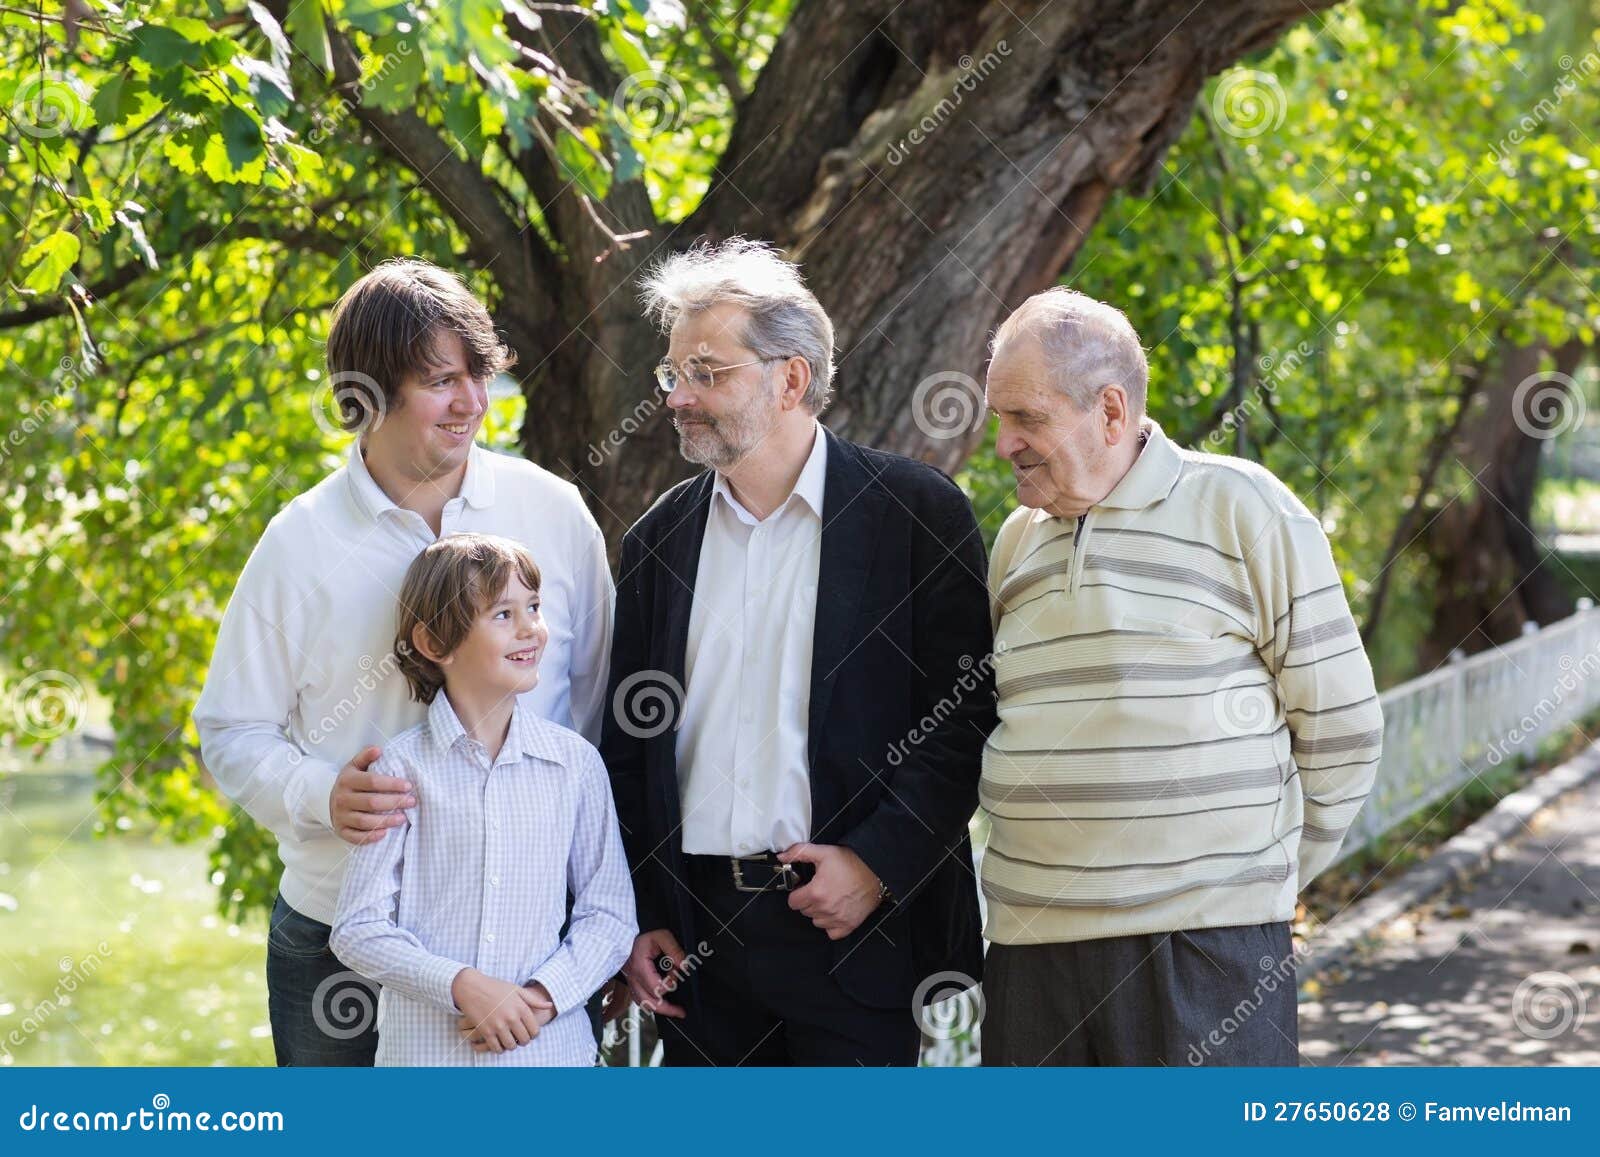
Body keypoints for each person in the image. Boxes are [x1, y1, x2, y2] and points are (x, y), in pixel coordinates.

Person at [192, 260, 613, 1065]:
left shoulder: (554, 514)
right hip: (336, 940)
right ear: (367, 397)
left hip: (525, 946)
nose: (472, 403)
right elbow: (230, 729)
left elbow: (594, 710)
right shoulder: (299, 541)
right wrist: (322, 793)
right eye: (440, 382)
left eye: (477, 377)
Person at [603, 238, 995, 1066]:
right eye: (673, 374)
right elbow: (627, 751)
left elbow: (964, 721)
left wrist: (878, 864)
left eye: (708, 372)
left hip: (855, 937)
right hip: (696, 951)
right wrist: (640, 913)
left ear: (790, 378)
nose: (679, 397)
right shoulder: (657, 541)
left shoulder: (916, 514)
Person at [979, 287, 1384, 1066]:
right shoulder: (1014, 541)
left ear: (1110, 410)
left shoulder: (1243, 506)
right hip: (1032, 946)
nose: (1005, 443)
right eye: (1000, 417)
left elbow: (1342, 726)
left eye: (1026, 417)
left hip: (1202, 949)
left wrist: (1259, 885)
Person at [330, 534, 635, 1066]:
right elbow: (358, 929)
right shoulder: (398, 770)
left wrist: (538, 1001)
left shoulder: (577, 766)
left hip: (549, 1058)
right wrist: (462, 986)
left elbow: (608, 915)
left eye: (534, 608)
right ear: (434, 643)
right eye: (502, 614)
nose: (530, 629)